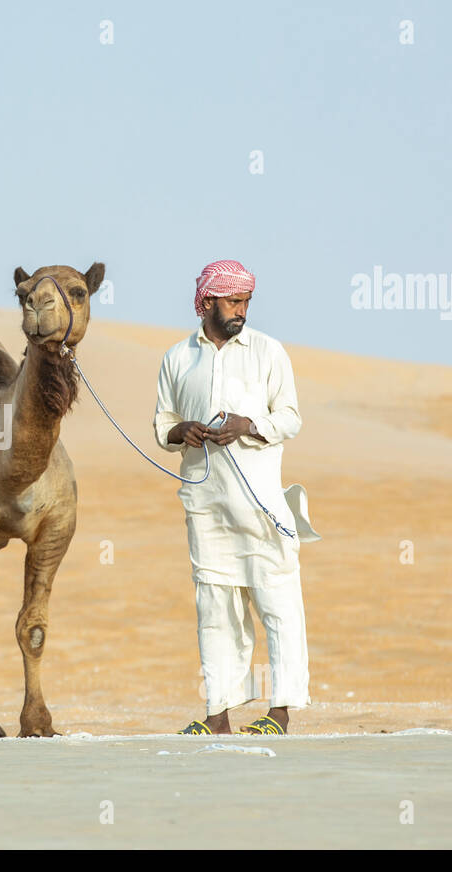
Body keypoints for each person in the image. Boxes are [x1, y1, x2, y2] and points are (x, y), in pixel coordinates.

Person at [152, 259, 315, 735]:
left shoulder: (268, 352)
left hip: (262, 505)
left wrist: (248, 425)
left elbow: (290, 418)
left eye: (246, 301)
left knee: (277, 602)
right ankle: (217, 717)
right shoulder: (177, 358)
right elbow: (162, 423)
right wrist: (184, 430)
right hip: (206, 506)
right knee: (214, 606)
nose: (241, 310)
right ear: (207, 303)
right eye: (232, 302)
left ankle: (280, 713)